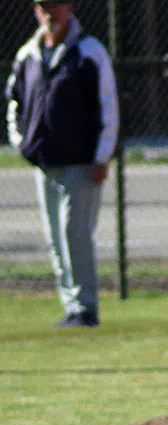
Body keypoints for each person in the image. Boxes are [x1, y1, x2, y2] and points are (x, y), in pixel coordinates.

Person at [7, 0, 115, 329]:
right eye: (43, 7)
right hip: (45, 162)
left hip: (82, 162)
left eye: (55, 5)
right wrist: (22, 144)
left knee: (75, 233)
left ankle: (86, 307)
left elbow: (109, 107)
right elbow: (15, 102)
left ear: (69, 7)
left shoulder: (89, 51)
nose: (49, 13)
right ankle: (71, 306)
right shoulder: (28, 53)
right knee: (55, 237)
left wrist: (102, 156)